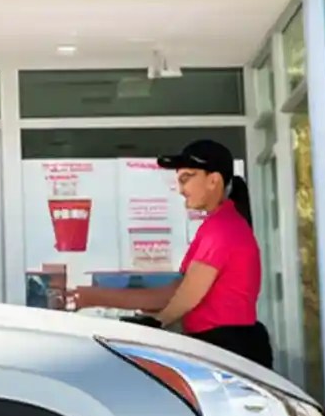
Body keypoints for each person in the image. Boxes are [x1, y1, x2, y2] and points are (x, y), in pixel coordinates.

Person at [67, 139, 274, 369]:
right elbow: (173, 294)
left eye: (187, 178)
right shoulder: (219, 224)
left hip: (227, 345)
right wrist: (93, 296)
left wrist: (157, 322)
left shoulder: (222, 228)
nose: (181, 188)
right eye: (179, 180)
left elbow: (189, 294)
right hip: (223, 344)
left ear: (213, 180)